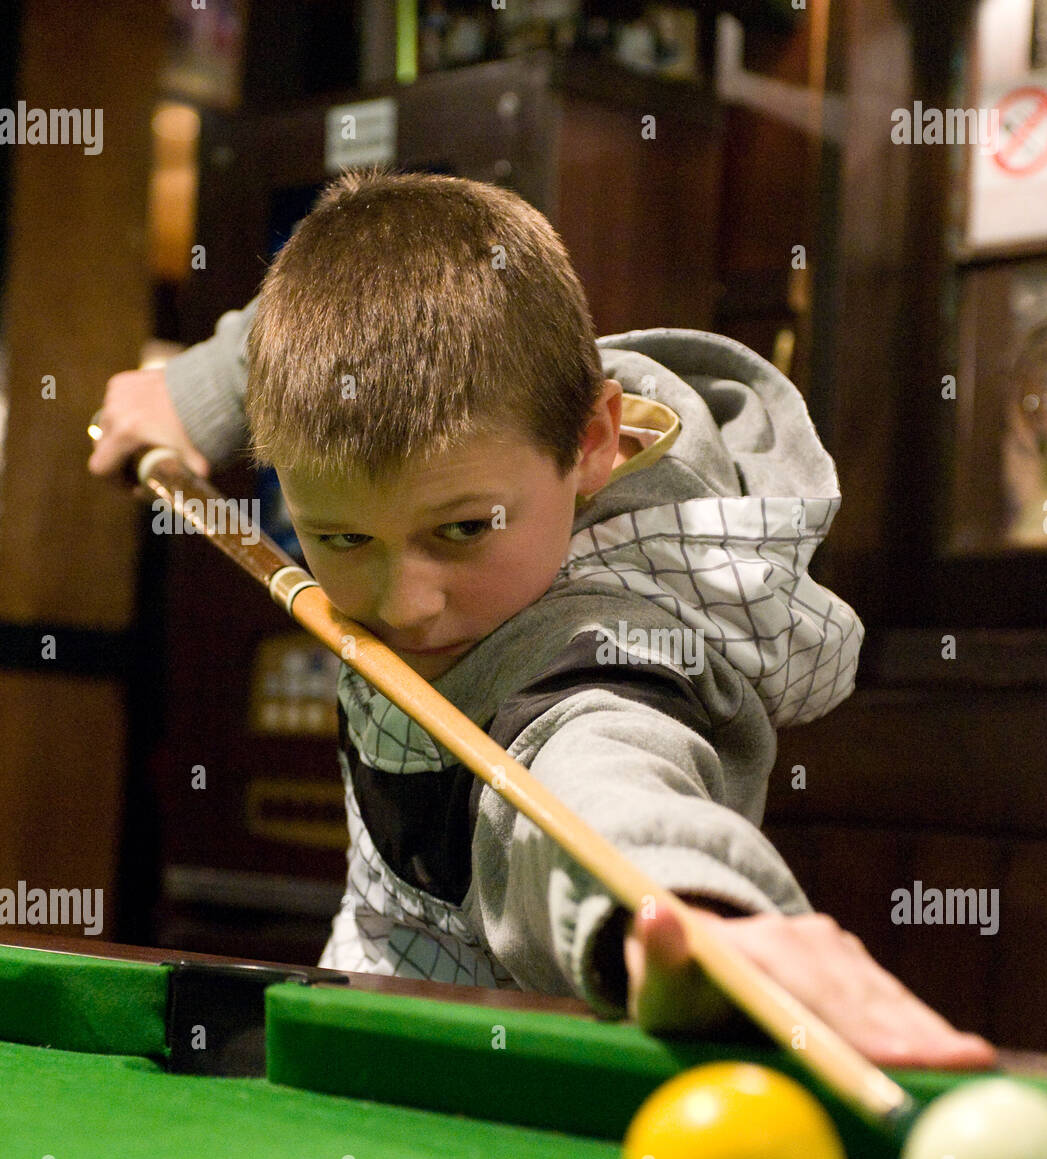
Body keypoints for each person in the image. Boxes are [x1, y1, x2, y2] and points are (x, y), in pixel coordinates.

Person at [90, 169, 995, 1070]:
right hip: (357, 1029)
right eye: (340, 536)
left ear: (595, 441)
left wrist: (686, 904)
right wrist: (190, 392)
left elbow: (597, 769)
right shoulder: (466, 424)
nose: (406, 602)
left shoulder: (603, 644)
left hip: (505, 1108)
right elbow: (307, 321)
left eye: (461, 529)